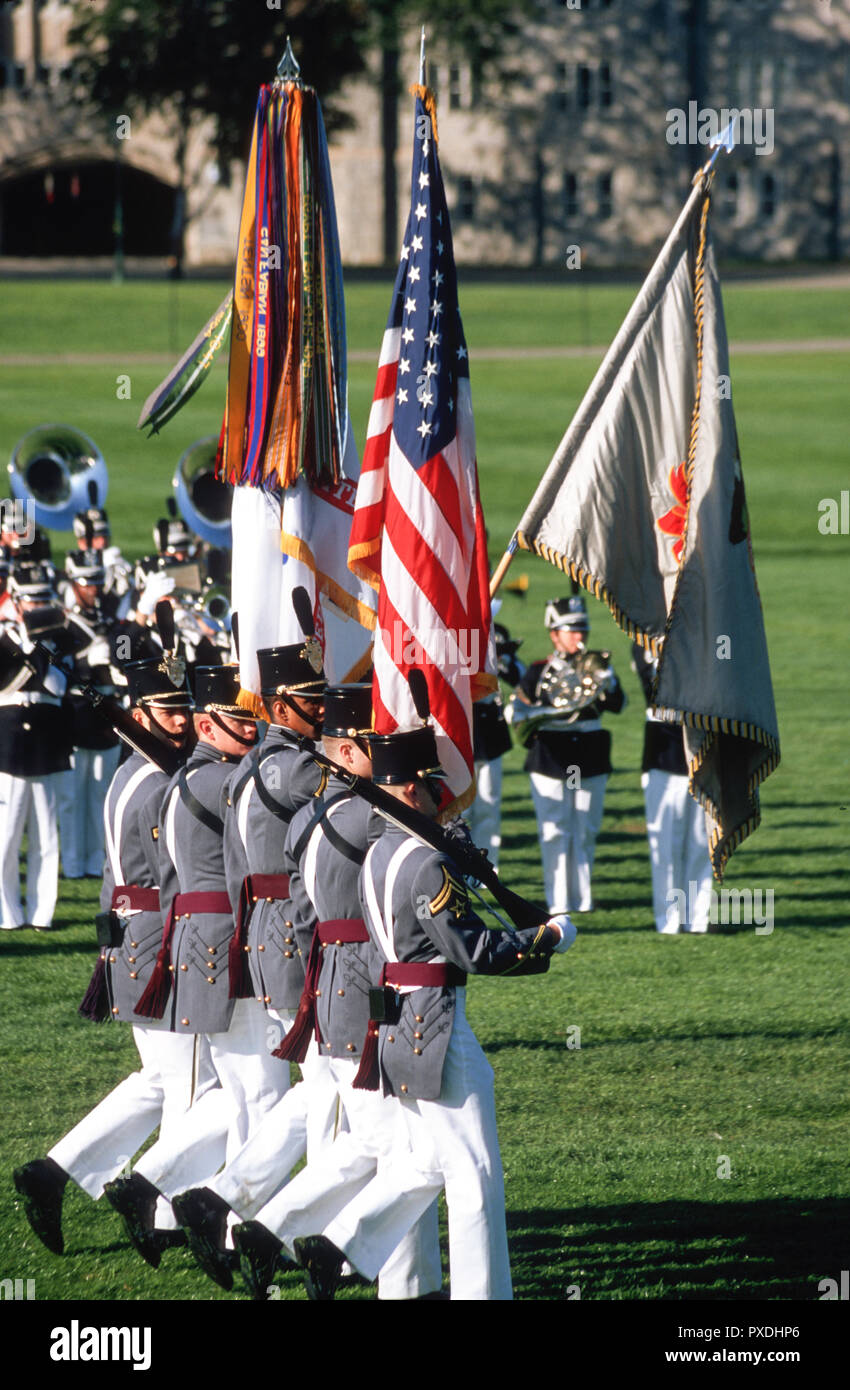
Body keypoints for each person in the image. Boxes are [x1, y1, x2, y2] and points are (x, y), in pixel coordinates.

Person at [290, 724, 576, 1301]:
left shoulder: (380, 853)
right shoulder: (426, 864)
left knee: (423, 1161)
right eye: (428, 786)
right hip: (435, 1023)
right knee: (475, 1173)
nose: (436, 797)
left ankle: (341, 1243)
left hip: (395, 1018)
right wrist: (544, 937)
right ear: (408, 790)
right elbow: (470, 948)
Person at [227, 686, 442, 1302]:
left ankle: (298, 1237)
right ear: (348, 752)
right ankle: (299, 1237)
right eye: (379, 748)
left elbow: (299, 915)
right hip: (368, 988)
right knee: (392, 1144)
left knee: (377, 1140)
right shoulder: (372, 819)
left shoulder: (308, 814)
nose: (395, 763)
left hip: (325, 982)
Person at [12, 654, 206, 1262]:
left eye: (185, 712)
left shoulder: (134, 770)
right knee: (190, 1085)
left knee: (163, 1080)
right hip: (157, 939)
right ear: (141, 712)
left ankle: (54, 1172)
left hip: (129, 934)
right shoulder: (159, 783)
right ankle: (164, 1208)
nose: (181, 724)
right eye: (169, 713)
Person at [516, 596, 626, 915]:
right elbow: (520, 711)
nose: (580, 636)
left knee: (585, 827)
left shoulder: (597, 666)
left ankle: (583, 899)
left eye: (583, 629)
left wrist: (609, 680)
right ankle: (558, 902)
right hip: (551, 758)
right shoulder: (539, 671)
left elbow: (617, 704)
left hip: (588, 757)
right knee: (555, 830)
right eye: (571, 629)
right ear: (554, 634)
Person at [0, 563, 73, 931]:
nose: (37, 606)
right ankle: (7, 913)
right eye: (30, 600)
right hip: (8, 742)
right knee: (6, 833)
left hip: (44, 742)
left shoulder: (57, 639)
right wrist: (21, 643)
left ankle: (43, 912)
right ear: (16, 601)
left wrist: (38, 648)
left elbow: (59, 686)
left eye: (43, 598)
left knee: (46, 834)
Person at [631, 642, 714, 934]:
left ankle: (698, 918)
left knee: (701, 842)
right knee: (666, 844)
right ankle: (668, 921)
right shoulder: (646, 641)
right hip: (663, 756)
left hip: (703, 752)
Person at [56, 548, 123, 879]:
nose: (94, 588)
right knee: (72, 795)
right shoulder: (64, 623)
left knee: (101, 791)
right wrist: (86, 660)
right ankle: (71, 860)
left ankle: (98, 859)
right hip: (75, 714)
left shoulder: (111, 621)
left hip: (105, 714)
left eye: (98, 581)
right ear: (73, 582)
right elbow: (57, 669)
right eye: (87, 582)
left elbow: (123, 658)